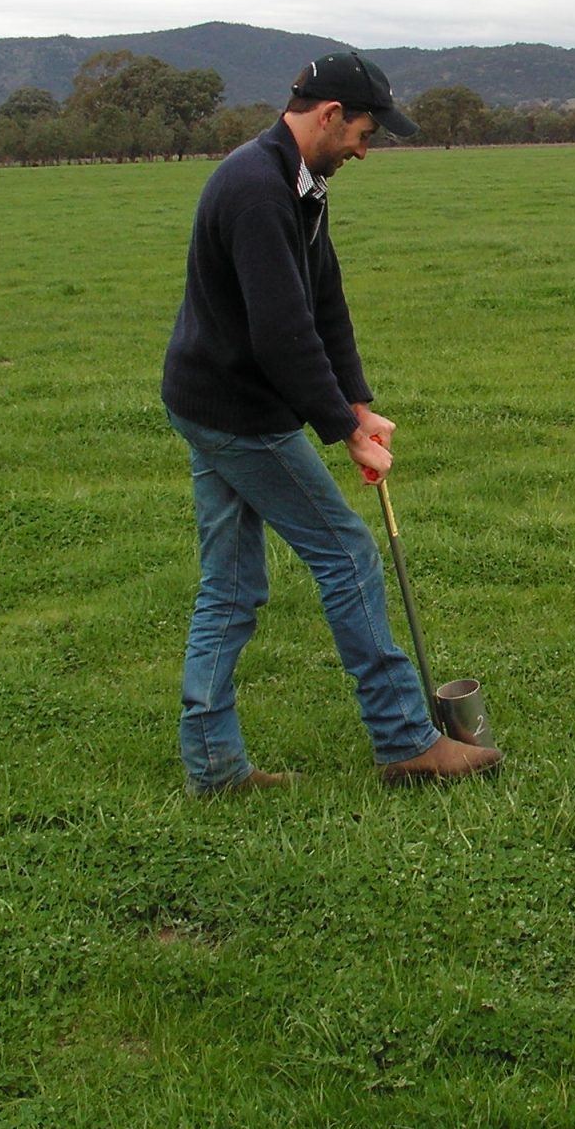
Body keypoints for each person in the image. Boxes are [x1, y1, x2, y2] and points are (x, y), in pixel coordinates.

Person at [160, 51, 503, 792]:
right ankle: (406, 741)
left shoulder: (298, 182)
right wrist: (338, 428)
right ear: (328, 115)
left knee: (230, 586)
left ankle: (214, 767)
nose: (364, 150)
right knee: (348, 555)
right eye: (363, 134)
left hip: (209, 399)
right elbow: (280, 332)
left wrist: (354, 400)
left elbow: (324, 301)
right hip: (238, 414)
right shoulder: (256, 189)